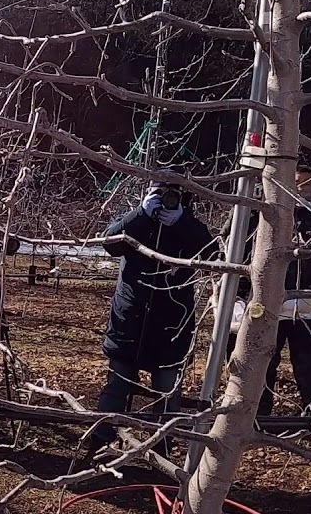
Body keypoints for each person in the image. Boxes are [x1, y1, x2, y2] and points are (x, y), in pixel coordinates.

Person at [89, 171, 218, 453]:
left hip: (171, 323)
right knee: (117, 386)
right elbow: (110, 243)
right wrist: (141, 215)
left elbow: (212, 255)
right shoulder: (136, 222)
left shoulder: (190, 228)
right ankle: (101, 440)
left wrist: (183, 222)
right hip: (130, 319)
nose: (166, 201)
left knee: (167, 392)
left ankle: (163, 445)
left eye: (172, 196)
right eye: (160, 195)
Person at [257, 163, 311, 418]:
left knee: (310, 365)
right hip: (268, 303)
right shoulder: (266, 216)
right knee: (262, 362)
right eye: (298, 183)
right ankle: (257, 416)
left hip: (306, 307)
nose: (303, 189)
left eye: (309, 183)